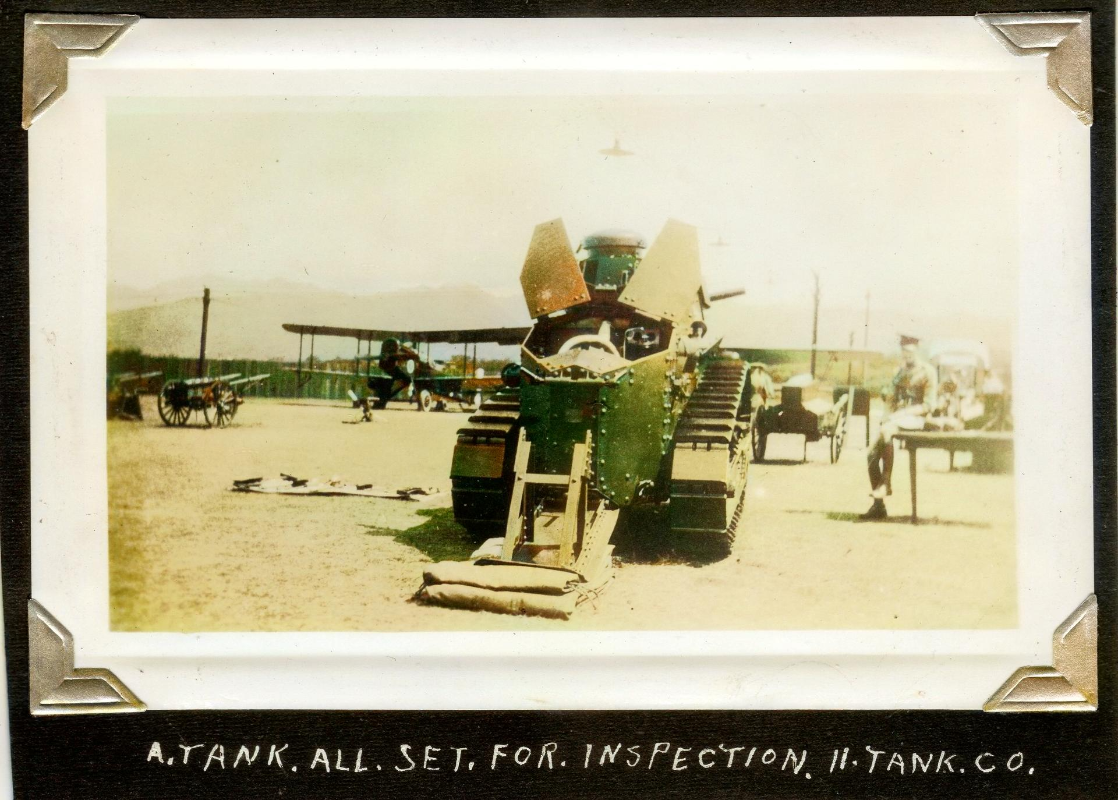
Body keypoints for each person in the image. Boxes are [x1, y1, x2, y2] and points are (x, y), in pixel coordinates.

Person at [861, 335, 938, 520]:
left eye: (910, 352)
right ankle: (878, 507)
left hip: (916, 420)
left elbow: (928, 405)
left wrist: (901, 414)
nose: (907, 355)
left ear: (917, 351)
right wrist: (887, 405)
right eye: (904, 352)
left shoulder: (928, 372)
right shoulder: (900, 372)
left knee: (888, 429)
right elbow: (892, 399)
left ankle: (886, 483)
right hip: (895, 420)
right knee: (871, 456)